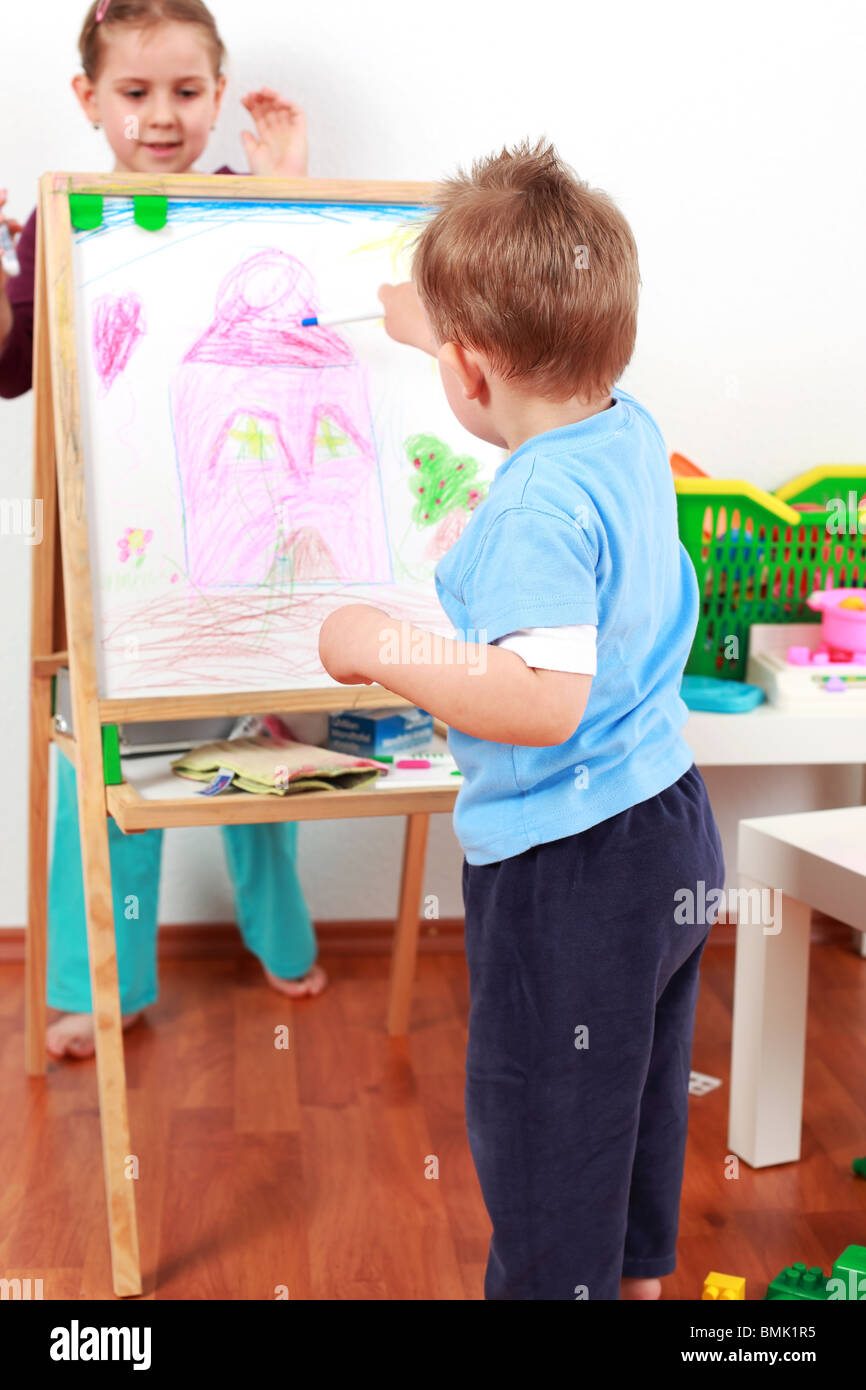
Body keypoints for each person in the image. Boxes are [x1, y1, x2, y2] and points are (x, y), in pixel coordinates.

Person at [319, 139, 726, 1300]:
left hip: (573, 869)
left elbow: (541, 701)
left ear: (471, 369)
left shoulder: (533, 507)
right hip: (667, 828)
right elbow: (530, 349)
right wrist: (432, 329)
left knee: (549, 1135)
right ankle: (635, 1283)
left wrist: (377, 645)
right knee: (634, 1098)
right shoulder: (625, 428)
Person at [0, 0, 326, 1061]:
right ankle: (99, 985)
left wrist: (286, 181)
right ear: (88, 99)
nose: (160, 116)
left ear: (218, 96)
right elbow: (15, 370)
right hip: (107, 556)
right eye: (135, 93)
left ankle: (279, 941)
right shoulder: (59, 216)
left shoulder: (229, 204)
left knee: (252, 755)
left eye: (186, 92)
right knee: (100, 775)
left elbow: (302, 313)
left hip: (234, 538)